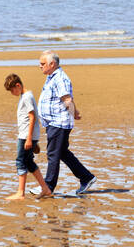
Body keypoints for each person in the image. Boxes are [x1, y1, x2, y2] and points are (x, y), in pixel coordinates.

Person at [37, 51, 96, 196]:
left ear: (52, 64)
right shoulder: (52, 77)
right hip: (54, 122)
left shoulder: (60, 78)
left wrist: (74, 113)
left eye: (42, 64)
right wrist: (75, 113)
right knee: (61, 152)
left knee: (53, 154)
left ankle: (48, 187)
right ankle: (86, 177)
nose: (40, 66)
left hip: (59, 123)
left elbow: (67, 100)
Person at [4, 74, 53, 200]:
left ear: (18, 85)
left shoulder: (26, 97)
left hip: (26, 135)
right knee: (29, 162)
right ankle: (45, 189)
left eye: (12, 90)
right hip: (27, 134)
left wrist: (30, 138)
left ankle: (21, 193)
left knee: (21, 162)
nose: (12, 93)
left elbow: (32, 117)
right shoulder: (25, 96)